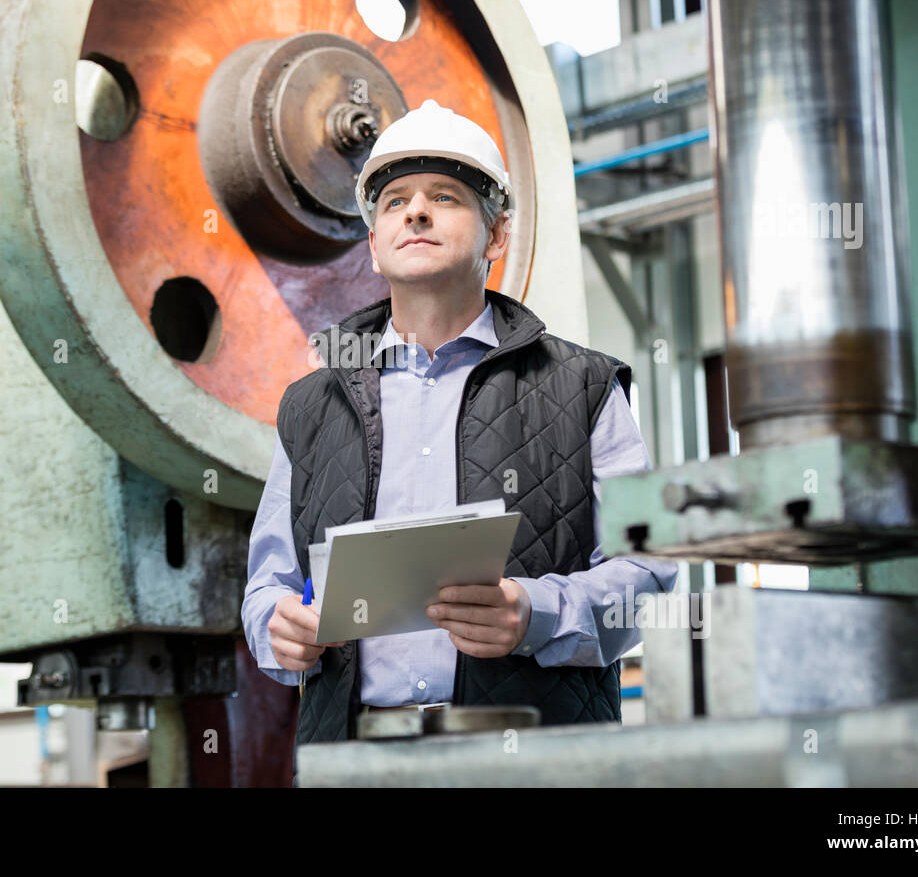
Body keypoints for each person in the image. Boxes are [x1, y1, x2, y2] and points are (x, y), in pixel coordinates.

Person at [241, 99, 679, 745]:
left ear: (497, 235)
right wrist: (278, 629)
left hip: (530, 761)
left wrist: (534, 615)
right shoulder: (310, 408)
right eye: (393, 202)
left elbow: (646, 571)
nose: (414, 211)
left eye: (444, 196)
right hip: (357, 761)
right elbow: (265, 587)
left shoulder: (583, 389)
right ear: (373, 245)